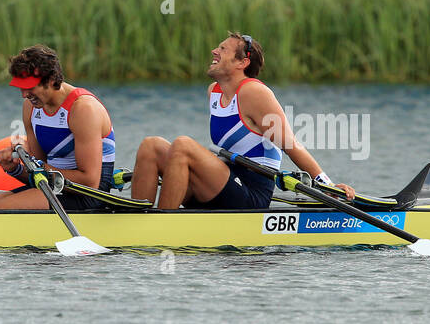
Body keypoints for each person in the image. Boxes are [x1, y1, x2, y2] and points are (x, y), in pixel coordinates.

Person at [130, 32, 354, 209]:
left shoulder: (254, 93)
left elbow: (291, 145)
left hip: (251, 192)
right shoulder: (214, 92)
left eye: (222, 49)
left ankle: (162, 227)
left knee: (183, 145)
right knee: (151, 146)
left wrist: (328, 186)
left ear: (242, 63)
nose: (214, 51)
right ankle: (136, 221)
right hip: (223, 183)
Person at [0, 45, 116, 210]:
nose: (24, 94)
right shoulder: (30, 107)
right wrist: (15, 169)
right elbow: (38, 175)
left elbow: (89, 182)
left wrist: (37, 166)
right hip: (56, 190)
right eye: (21, 87)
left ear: (51, 80)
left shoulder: (83, 109)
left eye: (30, 87)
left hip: (89, 197)